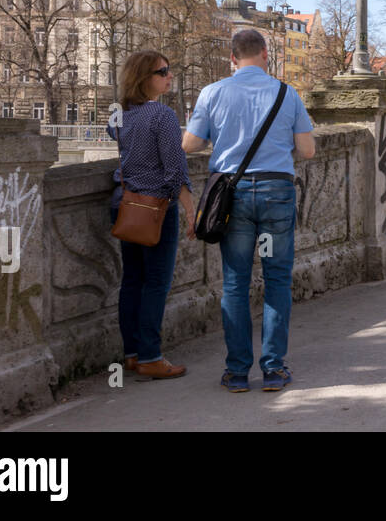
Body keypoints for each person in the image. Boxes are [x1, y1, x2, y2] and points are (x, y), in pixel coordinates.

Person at [183, 29, 315, 393]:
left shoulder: (213, 92)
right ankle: (273, 369)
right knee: (276, 279)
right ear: (265, 55)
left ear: (232, 58)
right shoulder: (288, 95)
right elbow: (307, 151)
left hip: (233, 197)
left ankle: (237, 372)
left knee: (236, 282)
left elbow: (190, 144)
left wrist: (224, 135)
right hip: (275, 193)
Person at [108, 50, 196, 379]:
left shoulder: (118, 115)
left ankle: (132, 354)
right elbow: (175, 171)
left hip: (125, 205)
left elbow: (116, 140)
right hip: (155, 208)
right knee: (156, 283)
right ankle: (151, 357)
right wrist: (190, 210)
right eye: (163, 72)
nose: (169, 76)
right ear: (144, 78)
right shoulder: (162, 115)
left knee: (131, 281)